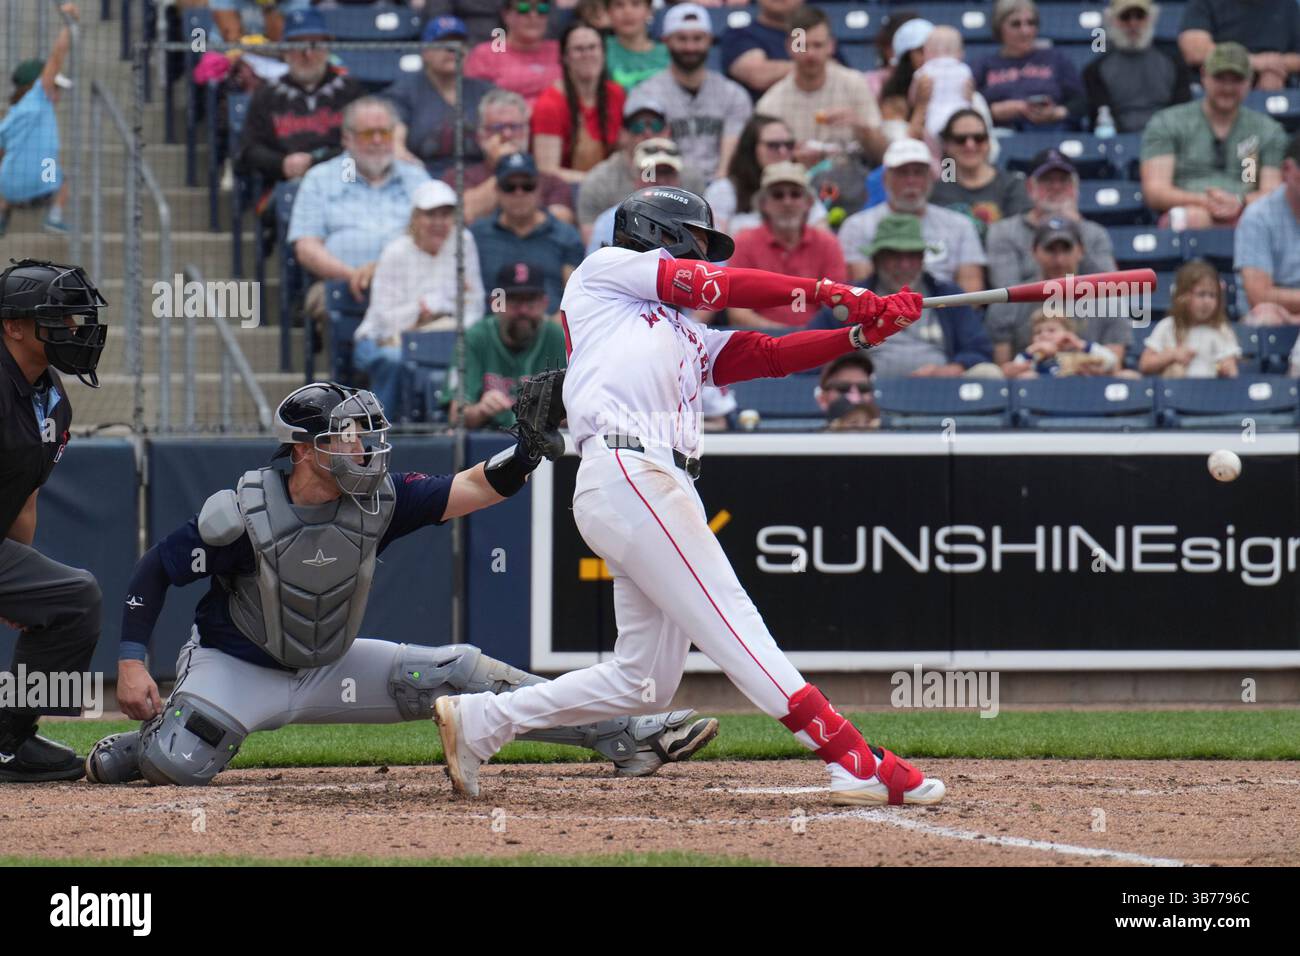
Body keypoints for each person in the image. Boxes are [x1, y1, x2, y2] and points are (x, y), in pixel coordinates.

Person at [430, 184, 947, 808]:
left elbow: (767, 354)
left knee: (644, 682)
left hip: (651, 482)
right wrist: (833, 292)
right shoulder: (606, 270)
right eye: (698, 241)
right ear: (659, 231)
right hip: (629, 469)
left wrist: (859, 336)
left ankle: (483, 721)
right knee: (734, 622)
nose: (707, 255)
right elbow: (714, 286)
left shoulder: (676, 331)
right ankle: (851, 757)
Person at [83, 383, 718, 787]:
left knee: (461, 671)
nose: (365, 447)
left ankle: (629, 734)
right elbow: (154, 573)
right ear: (306, 450)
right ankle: (143, 747)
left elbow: (470, 488)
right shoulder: (241, 513)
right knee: (176, 766)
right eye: (349, 436)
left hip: (331, 667)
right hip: (236, 666)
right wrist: (134, 662)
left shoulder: (377, 502)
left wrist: (525, 454)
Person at [0, 259, 107, 782]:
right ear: (12, 326)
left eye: (74, 319)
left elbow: (24, 499)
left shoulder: (51, 395)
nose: (72, 330)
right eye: (57, 319)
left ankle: (6, 739)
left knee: (71, 599)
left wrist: (17, 586)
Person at [288, 98, 432, 329]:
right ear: (347, 138)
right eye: (368, 134)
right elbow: (306, 248)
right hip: (344, 285)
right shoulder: (322, 178)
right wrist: (354, 275)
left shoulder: (415, 177)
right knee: (326, 300)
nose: (377, 141)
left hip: (411, 284)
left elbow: (439, 236)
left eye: (384, 134)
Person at [352, 181, 487, 413]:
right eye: (430, 215)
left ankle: (453, 430)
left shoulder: (464, 242)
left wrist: (455, 328)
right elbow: (385, 320)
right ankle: (379, 431)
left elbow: (476, 305)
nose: (439, 223)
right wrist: (423, 308)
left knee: (473, 353)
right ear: (415, 218)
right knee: (394, 359)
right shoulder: (395, 251)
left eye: (446, 215)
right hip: (382, 339)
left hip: (444, 337)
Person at [1141, 42, 1287, 230]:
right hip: (1190, 208)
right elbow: (1155, 191)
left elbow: (1272, 191)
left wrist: (1239, 201)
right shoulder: (1167, 122)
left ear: (1249, 81)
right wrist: (1205, 202)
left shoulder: (1268, 130)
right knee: (1189, 218)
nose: (1227, 88)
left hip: (1246, 210)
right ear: (1204, 76)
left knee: (1263, 221)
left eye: (1236, 79)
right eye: (1220, 78)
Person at [854, 215, 1000, 379]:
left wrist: (950, 370)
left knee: (989, 373)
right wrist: (849, 375)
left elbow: (980, 349)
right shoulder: (853, 298)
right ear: (876, 259)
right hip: (865, 394)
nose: (904, 265)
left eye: (912, 256)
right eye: (894, 256)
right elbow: (823, 348)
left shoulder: (947, 295)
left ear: (923, 258)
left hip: (942, 392)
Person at [236, 9, 366, 190]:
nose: (307, 54)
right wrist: (281, 164)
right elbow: (249, 149)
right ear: (286, 51)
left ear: (327, 47)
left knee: (353, 166)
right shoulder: (267, 93)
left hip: (343, 180)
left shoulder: (350, 90)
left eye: (314, 45)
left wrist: (315, 162)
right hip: (284, 183)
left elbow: (364, 142)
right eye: (298, 45)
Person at [837, 138, 987, 294]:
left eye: (918, 173)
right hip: (880, 312)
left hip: (943, 312)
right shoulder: (856, 226)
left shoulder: (959, 225)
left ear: (930, 178)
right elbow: (863, 289)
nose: (911, 181)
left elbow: (972, 292)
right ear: (885, 179)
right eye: (902, 173)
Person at [624, 3, 753, 182]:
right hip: (665, 183)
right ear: (666, 40)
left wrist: (718, 186)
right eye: (681, 39)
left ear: (709, 39)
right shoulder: (645, 93)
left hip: (719, 185)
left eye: (697, 38)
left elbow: (731, 161)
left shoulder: (733, 94)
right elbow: (641, 155)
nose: (690, 47)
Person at [985, 217, 1133, 369]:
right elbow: (1002, 375)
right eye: (1051, 250)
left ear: (1081, 251)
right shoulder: (1010, 303)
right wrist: (1030, 360)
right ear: (1034, 252)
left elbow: (1114, 366)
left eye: (1066, 249)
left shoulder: (1107, 301)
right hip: (1031, 383)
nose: (1059, 260)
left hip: (1091, 383)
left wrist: (1078, 354)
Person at [754, 5, 887, 167]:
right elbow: (761, 163)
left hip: (849, 180)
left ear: (830, 46)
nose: (810, 54)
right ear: (789, 47)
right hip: (794, 183)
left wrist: (861, 127)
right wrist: (792, 156)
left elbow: (883, 154)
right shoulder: (771, 103)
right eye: (802, 46)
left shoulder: (855, 84)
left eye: (817, 45)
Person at [444, 262, 568, 428]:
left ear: (544, 303)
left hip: (546, 446)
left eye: (531, 302)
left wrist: (551, 414)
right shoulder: (475, 338)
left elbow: (582, 415)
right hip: (488, 444)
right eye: (514, 302)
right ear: (496, 303)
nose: (523, 310)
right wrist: (480, 410)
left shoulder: (558, 339)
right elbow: (455, 416)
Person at [724, 162, 847, 329]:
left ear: (808, 203)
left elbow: (838, 304)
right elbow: (737, 313)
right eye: (778, 195)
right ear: (763, 204)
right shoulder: (744, 243)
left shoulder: (827, 244)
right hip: (760, 342)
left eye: (795, 194)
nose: (787, 202)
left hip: (818, 340)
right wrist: (785, 339)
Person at [469, 152, 585, 317]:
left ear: (539, 188)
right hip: (492, 330)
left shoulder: (565, 236)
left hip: (549, 330)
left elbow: (576, 298)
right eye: (509, 186)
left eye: (527, 185)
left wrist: (550, 333)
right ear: (497, 190)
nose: (519, 193)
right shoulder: (478, 235)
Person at [985, 149, 1117, 289]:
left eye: (1064, 180)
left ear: (1075, 188)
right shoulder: (1003, 232)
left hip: (1083, 308)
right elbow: (1006, 291)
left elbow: (1110, 288)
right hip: (1029, 309)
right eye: (1047, 180)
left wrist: (1075, 232)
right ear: (1030, 187)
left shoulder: (1094, 233)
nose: (1056, 187)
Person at [440, 89, 575, 224]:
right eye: (497, 127)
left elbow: (561, 223)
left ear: (527, 132)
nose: (507, 134)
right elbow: (462, 217)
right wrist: (505, 169)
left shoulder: (552, 182)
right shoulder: (458, 177)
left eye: (515, 127)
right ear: (480, 135)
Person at [0, 5, 78, 237]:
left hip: (10, 187)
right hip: (45, 183)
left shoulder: (11, 117)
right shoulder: (38, 97)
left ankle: (2, 214)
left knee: (5, 171)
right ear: (40, 84)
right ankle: (54, 217)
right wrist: (69, 24)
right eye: (55, 87)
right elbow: (56, 57)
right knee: (63, 179)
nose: (57, 95)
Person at [577, 102, 706, 243]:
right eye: (637, 127)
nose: (648, 133)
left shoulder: (692, 177)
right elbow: (595, 248)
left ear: (667, 130)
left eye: (656, 125)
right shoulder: (605, 204)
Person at [386, 17, 494, 177]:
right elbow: (396, 140)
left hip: (480, 178)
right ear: (425, 51)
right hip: (425, 178)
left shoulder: (486, 92)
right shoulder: (406, 92)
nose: (452, 50)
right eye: (443, 43)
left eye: (459, 44)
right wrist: (400, 153)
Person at [532, 21, 627, 185]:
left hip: (609, 186)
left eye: (592, 47)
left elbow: (626, 150)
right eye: (578, 49)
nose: (587, 54)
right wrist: (599, 181)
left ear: (603, 53)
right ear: (565, 57)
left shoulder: (616, 94)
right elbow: (547, 171)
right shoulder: (549, 104)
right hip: (566, 191)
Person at [704, 113, 829, 235]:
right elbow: (713, 246)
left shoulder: (799, 188)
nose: (783, 151)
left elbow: (822, 234)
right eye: (773, 145)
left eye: (789, 145)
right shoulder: (723, 190)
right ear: (751, 148)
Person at [973, 0, 1087, 130]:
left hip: (1051, 131)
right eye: (1016, 24)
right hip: (999, 132)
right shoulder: (983, 64)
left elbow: (1081, 103)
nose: (1025, 30)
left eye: (1031, 23)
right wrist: (991, 112)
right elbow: (968, 107)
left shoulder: (1055, 58)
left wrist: (1056, 112)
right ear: (999, 27)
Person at [1083, 0, 1193, 135]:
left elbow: (1181, 113)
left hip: (1166, 141)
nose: (1133, 24)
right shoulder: (1095, 70)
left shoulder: (1174, 63)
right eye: (1125, 17)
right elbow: (1101, 120)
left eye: (1140, 16)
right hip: (1118, 146)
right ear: (1111, 20)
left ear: (1151, 19)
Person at [929, 110, 1030, 242]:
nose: (970, 145)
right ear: (947, 145)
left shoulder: (1013, 186)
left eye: (979, 138)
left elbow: (1020, 238)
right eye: (960, 139)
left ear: (988, 142)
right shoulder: (935, 191)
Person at [1236, 133, 1300, 326]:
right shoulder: (1259, 216)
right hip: (1277, 319)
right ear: (1288, 169)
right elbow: (1259, 294)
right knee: (1265, 317)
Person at [1139, 259, 1241, 377]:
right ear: (1183, 296)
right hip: (1175, 392)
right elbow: (1145, 364)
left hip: (1211, 391)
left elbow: (1231, 368)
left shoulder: (1222, 330)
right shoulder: (1168, 326)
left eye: (1212, 295)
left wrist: (1225, 368)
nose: (1207, 301)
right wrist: (1172, 355)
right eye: (1201, 294)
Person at [585, 138, 689, 253]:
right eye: (650, 173)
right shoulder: (612, 220)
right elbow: (597, 267)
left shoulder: (694, 221)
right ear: (637, 178)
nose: (660, 180)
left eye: (667, 173)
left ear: (678, 179)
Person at [1178, 0, 1300, 90]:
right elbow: (1195, 52)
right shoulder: (1206, 3)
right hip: (1219, 83)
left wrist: (1275, 69)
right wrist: (1257, 63)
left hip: (1274, 87)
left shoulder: (1287, 4)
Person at [464, 0, 562, 106]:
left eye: (542, 9)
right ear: (506, 15)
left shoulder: (560, 50)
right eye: (523, 8)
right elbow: (475, 101)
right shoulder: (486, 54)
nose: (533, 16)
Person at [721, 0, 801, 100]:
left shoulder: (808, 35)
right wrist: (813, 67)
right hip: (758, 112)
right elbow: (758, 75)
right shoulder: (740, 33)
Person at [1004, 310, 1120, 378]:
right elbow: (1015, 369)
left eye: (1051, 330)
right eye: (1038, 332)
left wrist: (1080, 344)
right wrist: (1032, 353)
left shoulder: (1078, 351)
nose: (1044, 335)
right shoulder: (1031, 357)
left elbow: (1111, 361)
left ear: (1068, 333)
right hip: (1043, 400)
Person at [914, 26, 976, 143]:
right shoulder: (965, 70)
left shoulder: (925, 70)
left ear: (927, 51)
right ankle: (949, 161)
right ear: (960, 53)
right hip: (960, 115)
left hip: (933, 117)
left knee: (937, 146)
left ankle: (944, 160)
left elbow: (913, 97)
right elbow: (969, 95)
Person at [603, 0, 668, 90]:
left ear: (649, 11)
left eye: (636, 4)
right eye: (619, 5)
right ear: (608, 12)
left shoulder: (669, 54)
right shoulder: (597, 50)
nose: (627, 11)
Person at [816, 352, 880, 430]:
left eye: (863, 388)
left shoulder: (892, 439)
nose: (855, 397)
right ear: (822, 397)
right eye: (843, 388)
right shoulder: (803, 440)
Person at [209, 0, 308, 42]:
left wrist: (268, 5)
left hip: (275, 60)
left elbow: (280, 40)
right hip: (227, 55)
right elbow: (232, 37)